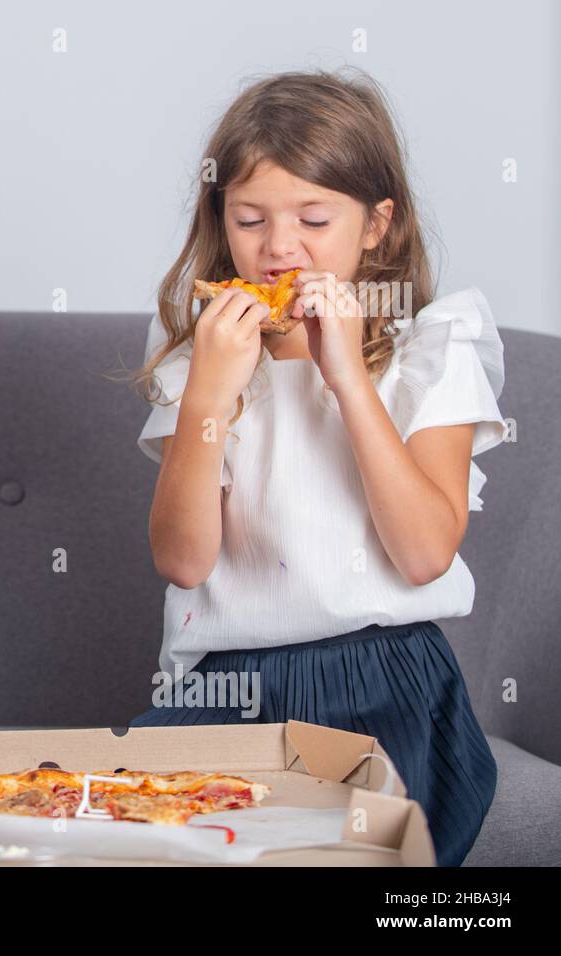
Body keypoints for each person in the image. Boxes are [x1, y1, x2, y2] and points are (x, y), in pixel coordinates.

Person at [128, 69, 507, 866]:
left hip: (389, 678)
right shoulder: (205, 365)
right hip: (225, 686)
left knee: (342, 854)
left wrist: (347, 381)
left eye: (313, 218)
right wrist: (210, 394)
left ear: (376, 225)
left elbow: (424, 552)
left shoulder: (428, 353)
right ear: (221, 223)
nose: (279, 247)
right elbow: (183, 559)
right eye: (251, 219)